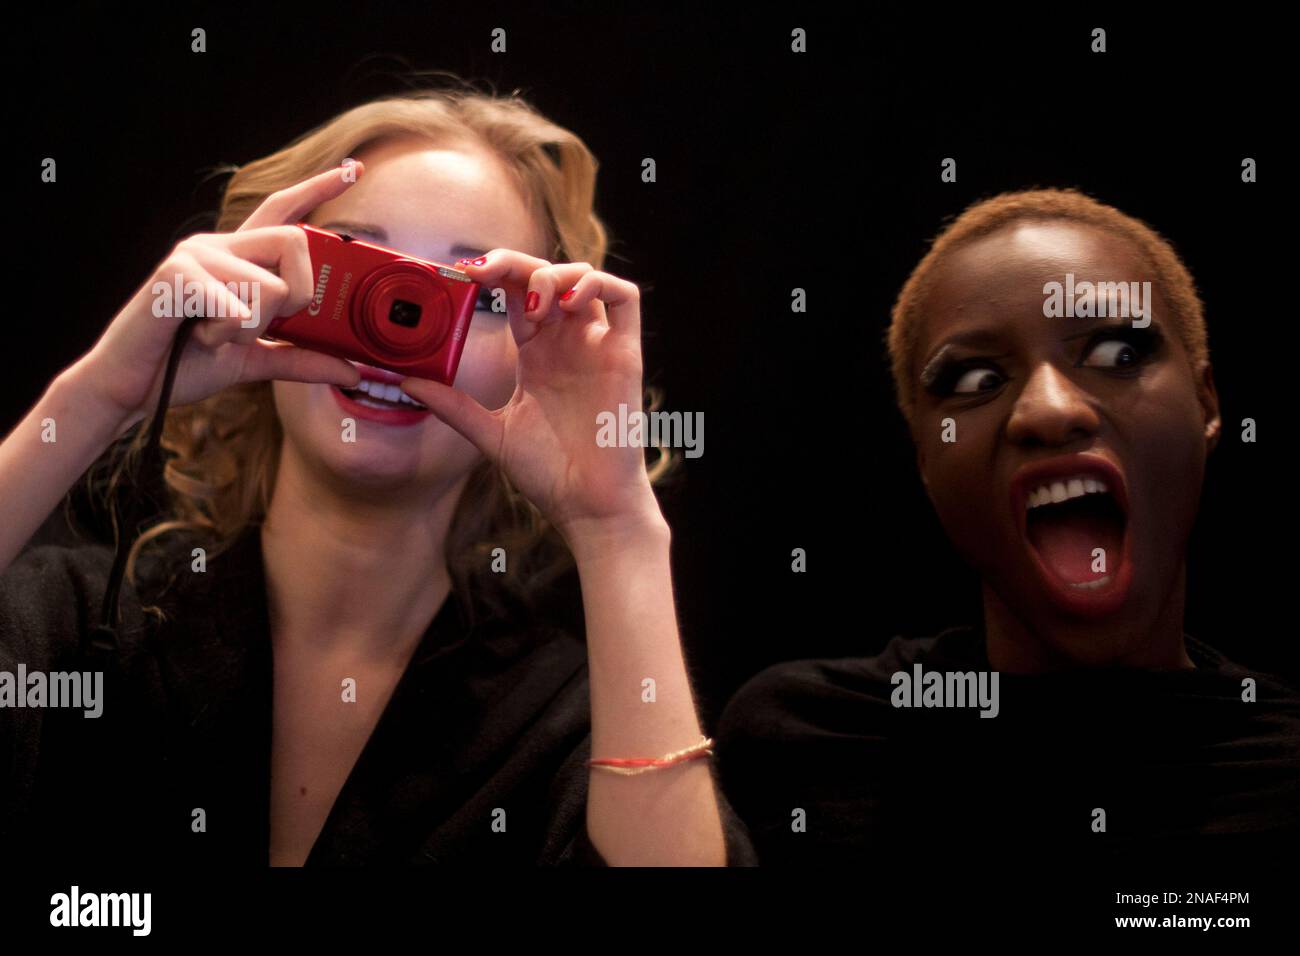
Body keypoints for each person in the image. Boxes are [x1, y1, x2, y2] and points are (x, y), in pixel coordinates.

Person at [0, 84, 754, 866]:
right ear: (254, 281)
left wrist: (617, 530)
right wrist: (101, 395)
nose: (396, 331)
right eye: (354, 267)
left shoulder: (574, 718)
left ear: (538, 354)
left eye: (472, 298)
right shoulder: (86, 625)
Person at [715, 188, 1300, 869]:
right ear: (924, 457)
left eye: (1115, 352)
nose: (1048, 411)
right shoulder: (803, 740)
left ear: (1206, 403)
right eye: (976, 379)